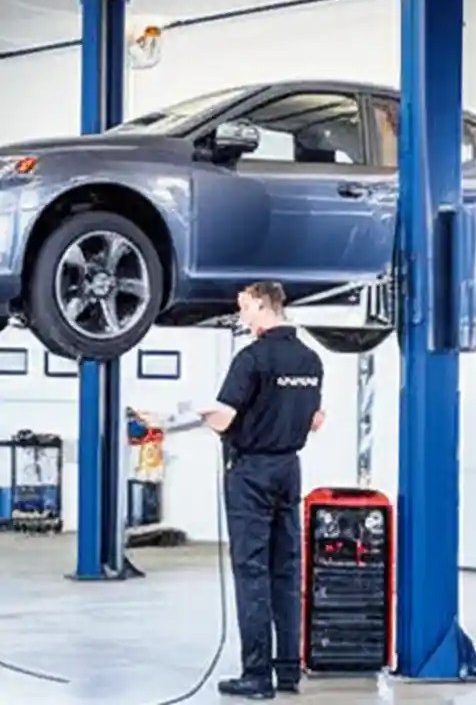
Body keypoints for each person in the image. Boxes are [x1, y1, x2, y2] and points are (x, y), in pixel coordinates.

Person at [197, 281, 325, 699]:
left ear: (259, 304)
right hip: (290, 469)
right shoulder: (310, 359)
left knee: (251, 573)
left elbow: (224, 417)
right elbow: (316, 419)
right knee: (286, 570)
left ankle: (256, 676)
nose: (241, 317)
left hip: (252, 472)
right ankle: (288, 672)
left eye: (244, 308)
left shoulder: (251, 358)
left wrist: (196, 414)